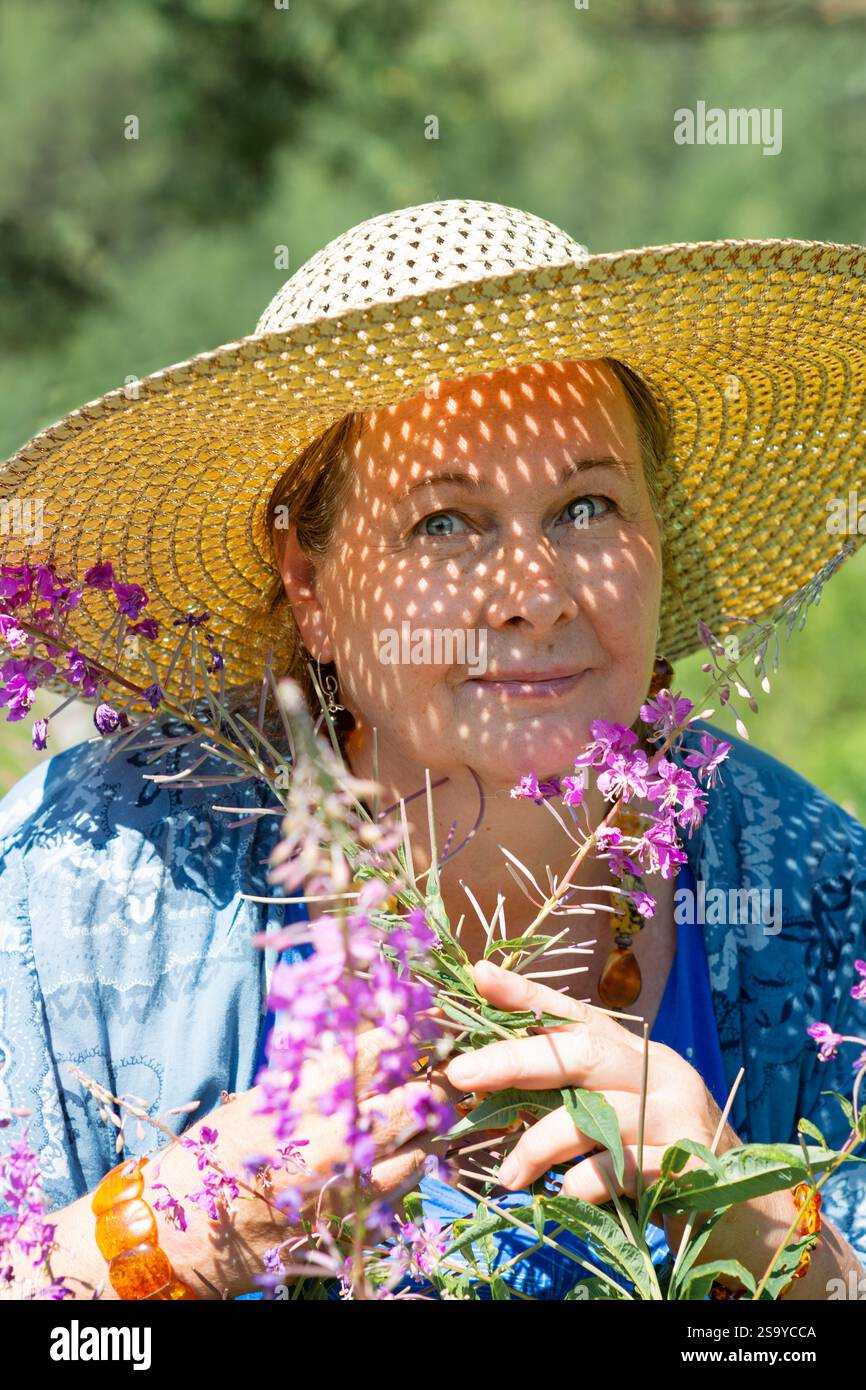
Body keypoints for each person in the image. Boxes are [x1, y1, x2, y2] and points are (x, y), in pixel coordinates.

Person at [1, 199, 865, 1300]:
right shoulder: (84, 886)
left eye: (587, 507)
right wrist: (184, 1229)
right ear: (308, 585)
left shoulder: (812, 891)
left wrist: (761, 1229)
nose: (534, 594)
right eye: (443, 525)